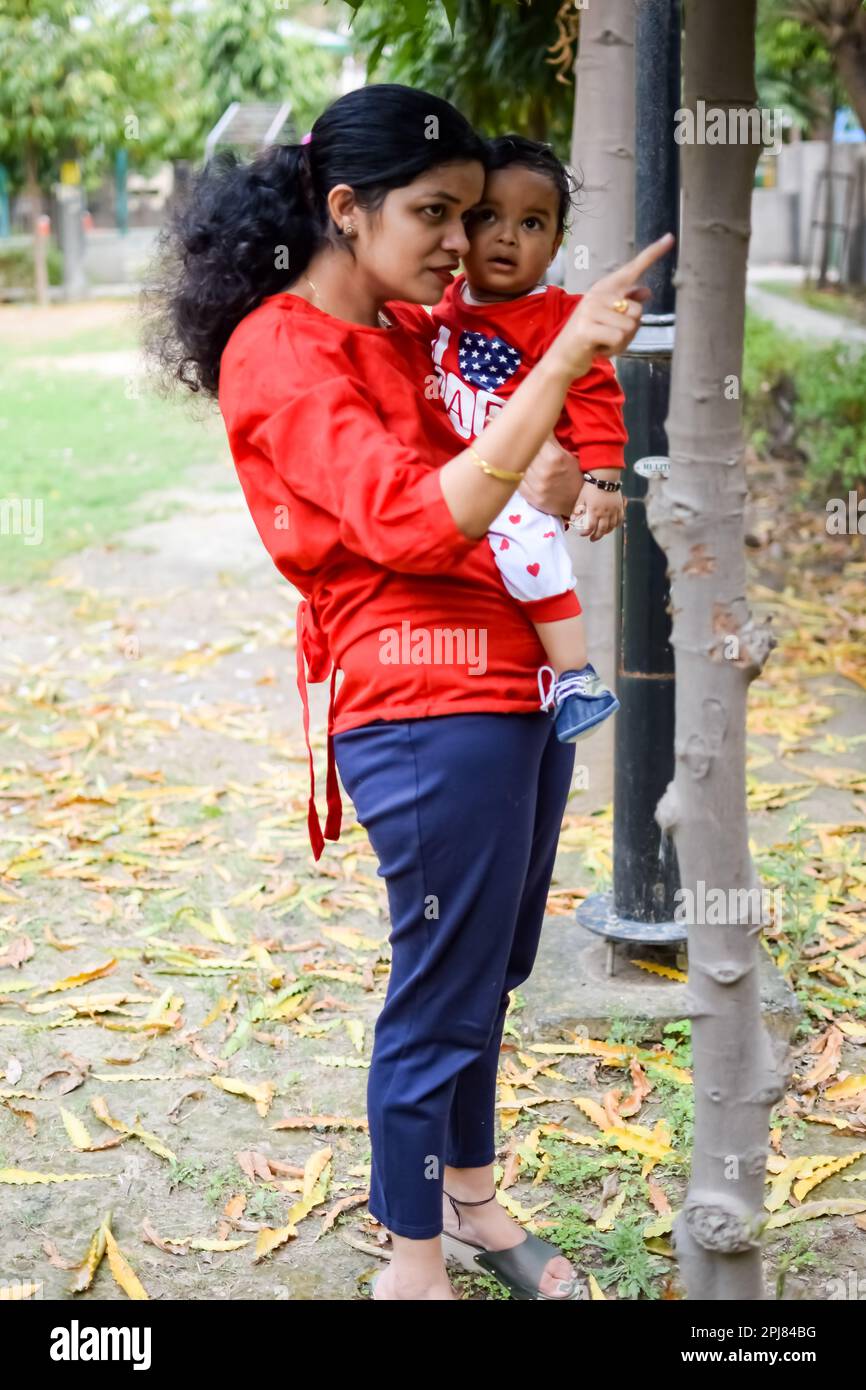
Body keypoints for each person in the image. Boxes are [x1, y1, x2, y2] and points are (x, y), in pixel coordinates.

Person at [145, 81, 674, 1301]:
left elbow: (507, 480)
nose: (459, 244)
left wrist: (553, 460)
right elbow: (416, 521)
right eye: (435, 212)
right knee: (439, 991)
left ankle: (474, 1204)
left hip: (517, 685)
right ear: (344, 208)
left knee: (491, 968)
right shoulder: (279, 350)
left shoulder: (403, 330)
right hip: (423, 700)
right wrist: (564, 367)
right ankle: (412, 1260)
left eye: (473, 212)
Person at [421, 133, 629, 743]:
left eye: (533, 223)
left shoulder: (561, 317)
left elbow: (597, 397)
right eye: (489, 218)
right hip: (460, 476)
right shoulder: (443, 303)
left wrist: (603, 480)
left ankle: (574, 677)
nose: (509, 236)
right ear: (461, 228)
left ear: (557, 243)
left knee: (530, 556)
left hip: (518, 484)